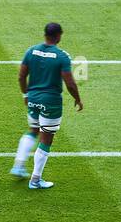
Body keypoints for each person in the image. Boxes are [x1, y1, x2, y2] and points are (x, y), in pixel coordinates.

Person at [11, 21, 82, 189]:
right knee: (46, 138)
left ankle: (18, 166)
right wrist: (77, 99)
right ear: (58, 36)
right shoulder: (62, 56)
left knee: (33, 130)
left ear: (45, 35)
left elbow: (21, 77)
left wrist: (25, 94)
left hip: (33, 99)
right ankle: (35, 180)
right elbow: (70, 83)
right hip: (51, 102)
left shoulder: (31, 51)